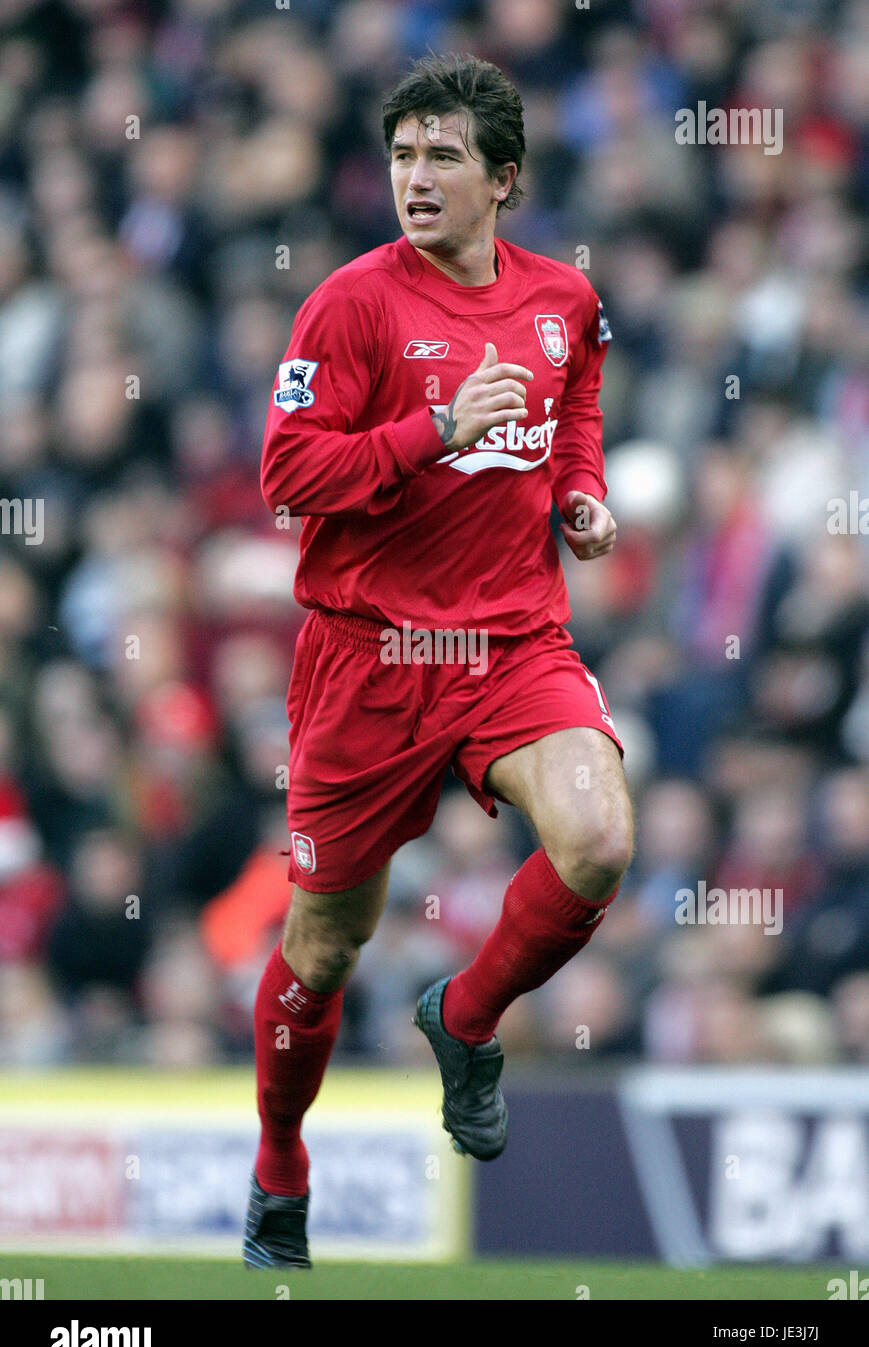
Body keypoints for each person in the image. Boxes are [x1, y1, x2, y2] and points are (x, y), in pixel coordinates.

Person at [243, 53, 634, 1269]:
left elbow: (575, 403)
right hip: (367, 659)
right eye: (403, 156)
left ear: (501, 179)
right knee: (321, 950)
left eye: (443, 157)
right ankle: (278, 1169)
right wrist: (431, 432)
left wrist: (578, 494)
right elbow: (285, 475)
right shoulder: (351, 305)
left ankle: (463, 1020)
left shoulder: (562, 298)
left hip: (510, 639)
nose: (415, 178)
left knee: (599, 840)